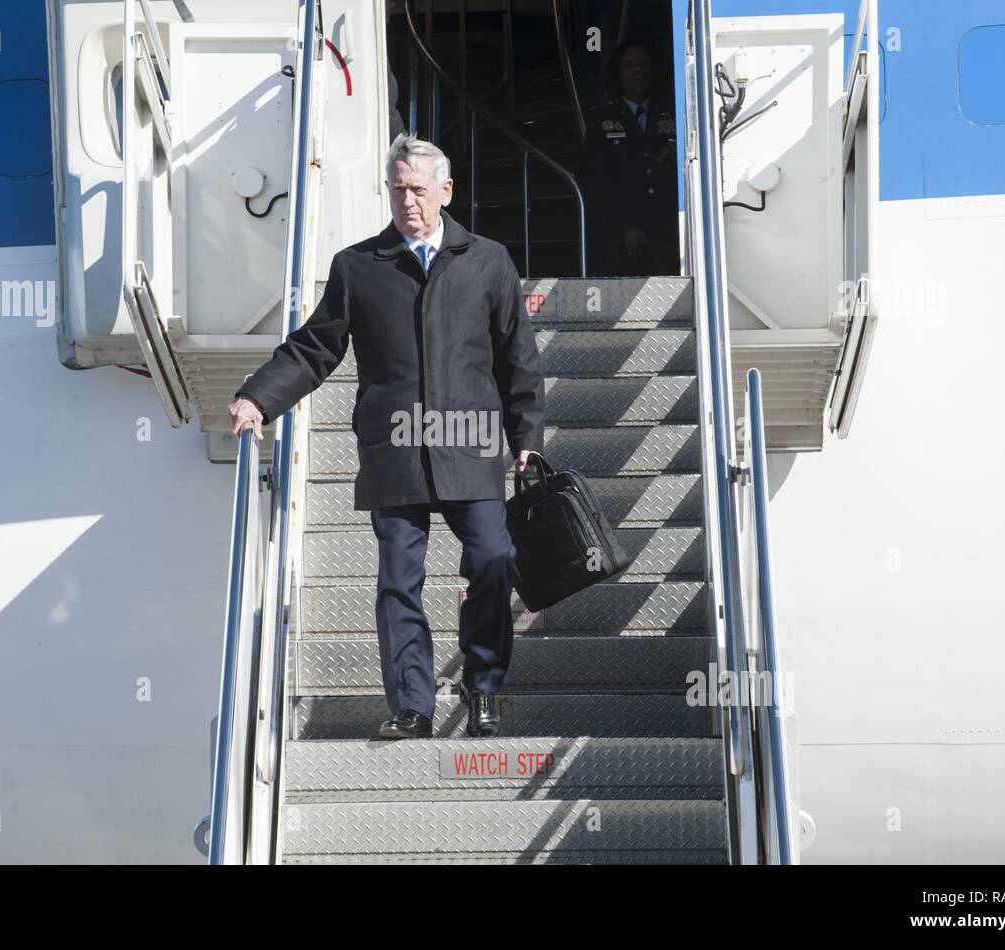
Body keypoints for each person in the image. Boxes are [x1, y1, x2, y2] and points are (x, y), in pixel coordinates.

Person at [228, 133, 546, 740]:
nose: (408, 202)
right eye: (397, 189)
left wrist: (526, 436)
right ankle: (413, 707)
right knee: (400, 579)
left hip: (470, 442)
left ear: (446, 190)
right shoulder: (358, 267)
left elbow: (518, 360)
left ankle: (482, 688)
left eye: (419, 190)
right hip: (394, 448)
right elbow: (314, 348)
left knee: (493, 558)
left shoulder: (487, 261)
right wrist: (258, 397)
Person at [577, 41, 680, 276]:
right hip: (621, 236)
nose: (638, 70)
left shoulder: (673, 114)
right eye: (629, 65)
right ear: (618, 73)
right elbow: (595, 180)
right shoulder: (602, 120)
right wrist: (625, 226)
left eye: (643, 64)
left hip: (669, 230)